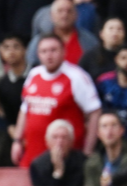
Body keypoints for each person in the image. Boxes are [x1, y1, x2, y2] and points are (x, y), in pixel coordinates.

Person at [15, 34, 102, 167]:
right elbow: (24, 109)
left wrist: (87, 151)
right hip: (32, 154)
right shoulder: (33, 74)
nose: (49, 55)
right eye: (44, 51)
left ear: (63, 51)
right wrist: (17, 140)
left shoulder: (76, 77)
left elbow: (94, 112)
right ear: (38, 54)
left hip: (66, 158)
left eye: (53, 50)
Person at [83, 111, 127, 186]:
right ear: (98, 133)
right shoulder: (92, 163)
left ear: (122, 130)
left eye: (113, 125)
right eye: (104, 126)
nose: (109, 131)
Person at [28, 120, 86, 186]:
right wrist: (58, 172)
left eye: (64, 137)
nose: (59, 142)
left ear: (71, 141)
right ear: (47, 141)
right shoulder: (38, 165)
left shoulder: (83, 161)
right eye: (55, 137)